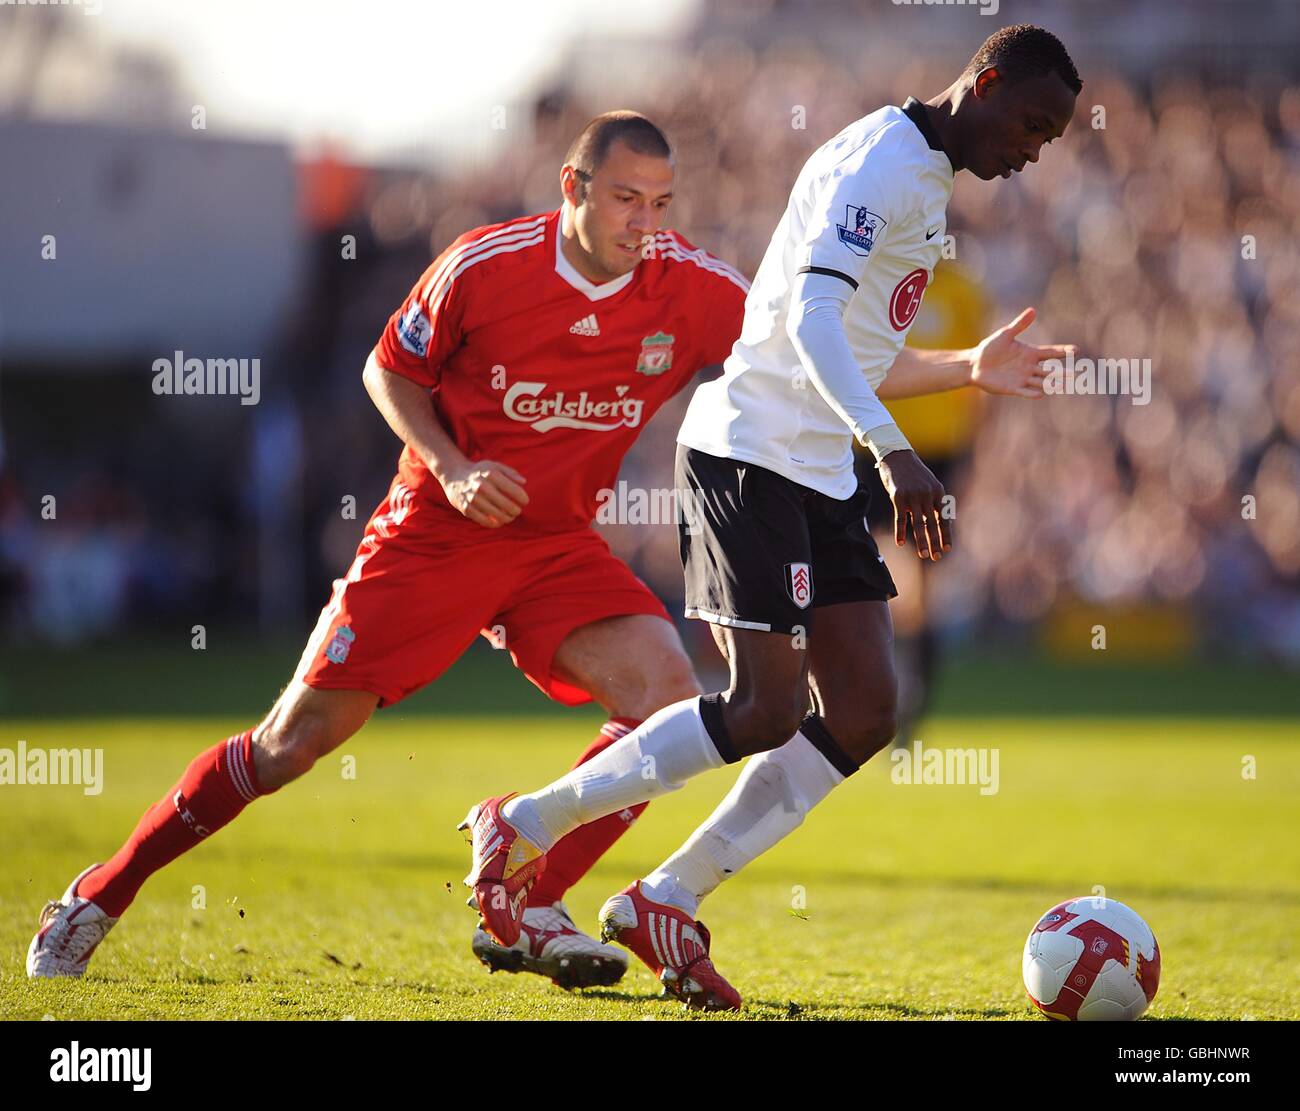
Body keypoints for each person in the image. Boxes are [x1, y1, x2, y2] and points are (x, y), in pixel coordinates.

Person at [26, 111, 751, 990]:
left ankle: (524, 893)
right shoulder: (486, 265)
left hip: (553, 543)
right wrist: (450, 467)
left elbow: (798, 354)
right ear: (573, 187)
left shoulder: (691, 287)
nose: (647, 222)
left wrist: (950, 369)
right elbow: (389, 368)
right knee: (290, 744)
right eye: (627, 199)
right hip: (434, 534)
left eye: (662, 203)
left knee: (667, 693)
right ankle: (99, 894)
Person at [463, 24, 1082, 1010]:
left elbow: (852, 348)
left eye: (1050, 139)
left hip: (815, 464)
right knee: (762, 708)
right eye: (1032, 124)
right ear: (986, 81)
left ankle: (667, 896)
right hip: (750, 453)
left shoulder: (917, 173)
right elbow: (806, 320)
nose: (1034, 149)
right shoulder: (884, 163)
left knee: (869, 706)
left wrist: (964, 370)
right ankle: (523, 821)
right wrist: (894, 449)